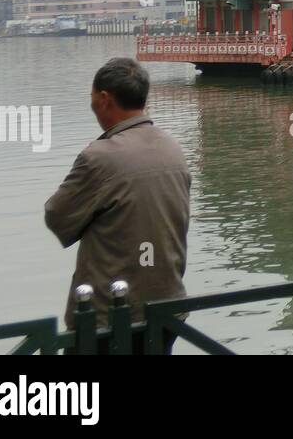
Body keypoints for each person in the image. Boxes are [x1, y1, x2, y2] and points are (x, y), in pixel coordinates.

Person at [45, 57, 191, 354]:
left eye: (91, 97)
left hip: (109, 320)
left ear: (104, 99)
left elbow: (58, 218)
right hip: (167, 311)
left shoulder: (99, 157)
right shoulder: (173, 149)